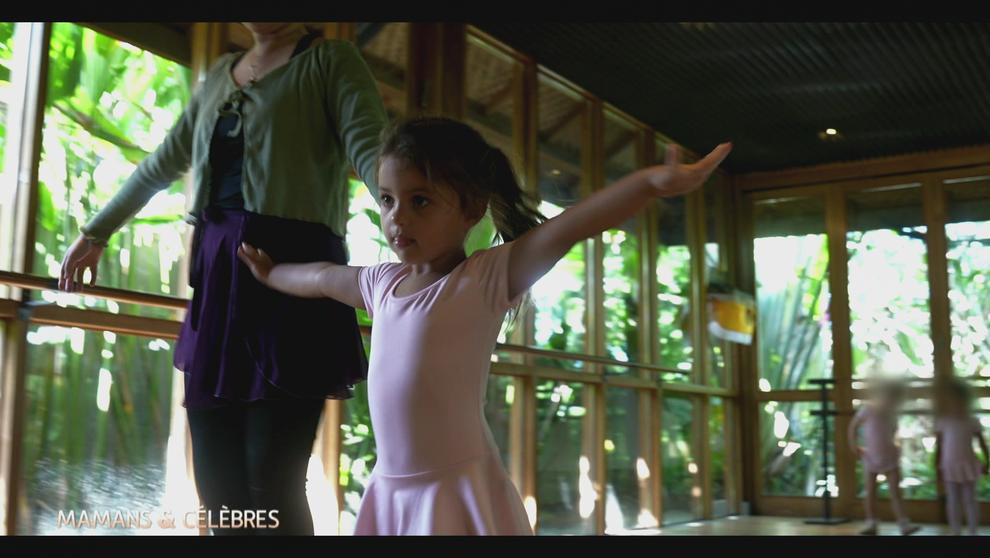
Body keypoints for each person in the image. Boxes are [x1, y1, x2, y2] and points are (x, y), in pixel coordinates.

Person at [237, 116, 731, 535]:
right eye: (387, 200)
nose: (397, 218)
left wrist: (650, 184)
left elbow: (575, 223)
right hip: (391, 486)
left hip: (454, 486)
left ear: (470, 209)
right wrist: (271, 273)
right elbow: (323, 277)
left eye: (420, 201)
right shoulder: (381, 283)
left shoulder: (487, 277)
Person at [58, 22, 388, 535]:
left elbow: (370, 149)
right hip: (217, 281)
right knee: (218, 487)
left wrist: (400, 214)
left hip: (294, 276)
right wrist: (98, 231)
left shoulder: (330, 61)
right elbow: (164, 161)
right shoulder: (217, 75)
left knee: (272, 481)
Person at [847, 379, 919, 535]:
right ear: (880, 394)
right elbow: (853, 426)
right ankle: (871, 522)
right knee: (871, 492)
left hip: (890, 457)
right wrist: (853, 445)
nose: (891, 401)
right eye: (889, 396)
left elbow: (892, 433)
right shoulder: (868, 409)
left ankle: (903, 524)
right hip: (871, 457)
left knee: (896, 492)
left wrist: (896, 448)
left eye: (895, 399)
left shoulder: (892, 414)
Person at [935, 379, 989, 535]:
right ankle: (955, 531)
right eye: (952, 400)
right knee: (953, 500)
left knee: (970, 500)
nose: (956, 404)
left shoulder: (972, 420)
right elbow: (939, 445)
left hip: (968, 464)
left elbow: (982, 442)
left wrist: (987, 461)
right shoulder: (943, 421)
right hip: (949, 465)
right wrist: (937, 466)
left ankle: (973, 532)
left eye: (959, 400)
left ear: (966, 401)